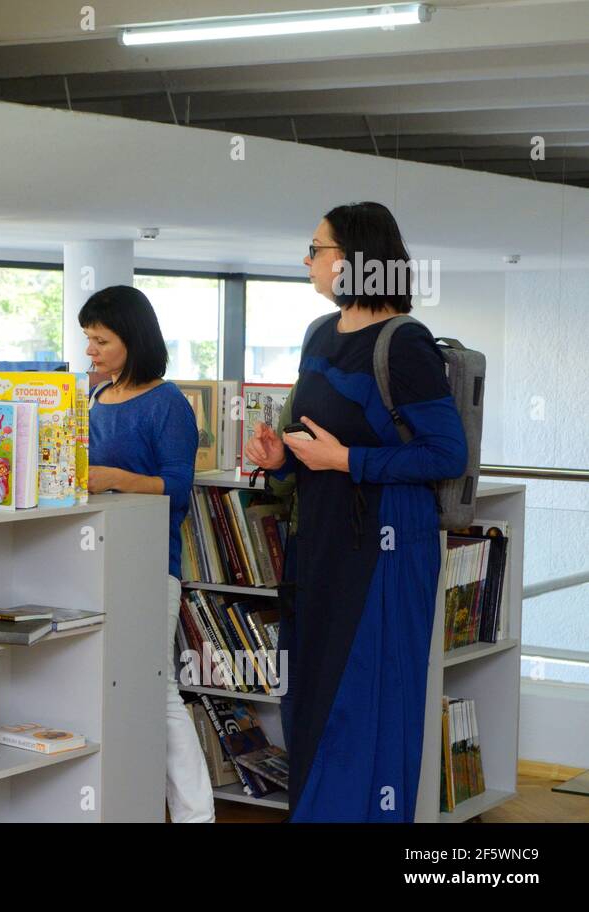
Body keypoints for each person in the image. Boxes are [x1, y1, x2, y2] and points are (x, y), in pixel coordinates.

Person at [244, 202, 467, 822]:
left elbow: (446, 454)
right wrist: (278, 456)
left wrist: (348, 461)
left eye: (317, 248)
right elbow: (311, 440)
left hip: (386, 550)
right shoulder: (319, 333)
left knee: (365, 701)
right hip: (319, 544)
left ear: (357, 260)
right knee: (311, 698)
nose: (308, 260)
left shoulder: (404, 343)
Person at [81, 284, 214, 823]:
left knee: (158, 690)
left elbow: (178, 488)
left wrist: (116, 479)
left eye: (101, 341)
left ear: (132, 341)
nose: (90, 351)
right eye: (88, 340)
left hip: (151, 567)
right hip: (95, 565)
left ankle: (195, 815)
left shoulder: (168, 404)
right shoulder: (95, 399)